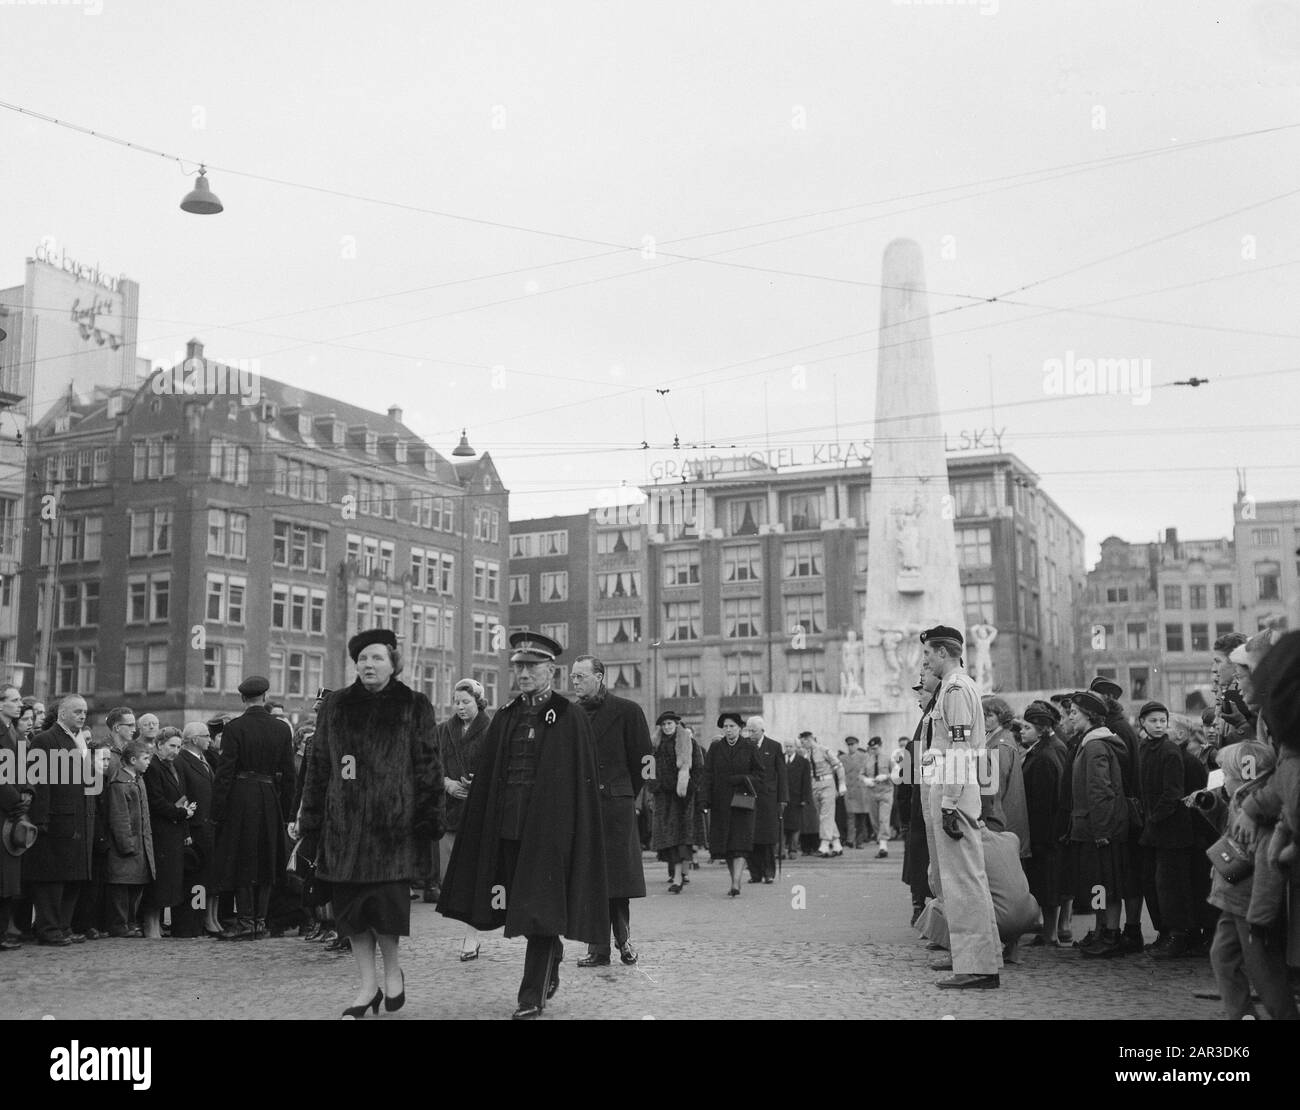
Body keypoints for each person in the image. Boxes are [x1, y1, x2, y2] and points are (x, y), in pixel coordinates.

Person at [437, 630, 608, 1020]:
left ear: (552, 669)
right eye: (519, 667)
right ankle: (553, 953)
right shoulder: (507, 717)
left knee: (540, 907)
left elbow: (579, 785)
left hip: (550, 834)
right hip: (508, 829)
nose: (524, 673)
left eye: (532, 666)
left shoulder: (571, 717)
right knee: (525, 906)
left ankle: (530, 995)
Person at [298, 628, 443, 1019]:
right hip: (343, 828)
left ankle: (392, 970)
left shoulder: (414, 705)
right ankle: (367, 986)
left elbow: (428, 766)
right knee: (352, 915)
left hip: (392, 828)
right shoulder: (337, 706)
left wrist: (428, 819)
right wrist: (310, 822)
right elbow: (319, 769)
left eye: (377, 658)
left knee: (385, 910)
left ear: (392, 663)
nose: (368, 665)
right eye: (362, 659)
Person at [917, 626, 1001, 989]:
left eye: (927, 655)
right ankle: (979, 957)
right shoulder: (956, 688)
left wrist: (949, 803)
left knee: (963, 880)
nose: (925, 661)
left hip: (955, 793)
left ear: (942, 653)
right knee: (962, 880)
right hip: (954, 790)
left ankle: (979, 967)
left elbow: (960, 749)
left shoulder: (953, 689)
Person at [572, 654, 652, 967]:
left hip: (616, 807)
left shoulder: (628, 711)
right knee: (591, 880)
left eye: (581, 676)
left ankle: (623, 941)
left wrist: (624, 792)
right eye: (573, 677)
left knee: (617, 881)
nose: (575, 682)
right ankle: (598, 949)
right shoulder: (571, 714)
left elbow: (645, 761)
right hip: (584, 807)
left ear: (600, 677)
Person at [212, 676, 297, 941]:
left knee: (242, 857)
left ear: (243, 699)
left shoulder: (235, 728)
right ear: (264, 698)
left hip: (241, 798)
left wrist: (217, 811)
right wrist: (286, 812)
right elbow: (289, 775)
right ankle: (261, 920)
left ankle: (246, 920)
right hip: (270, 796)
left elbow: (225, 773)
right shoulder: (282, 729)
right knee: (268, 858)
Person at [25, 695, 96, 946]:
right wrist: (40, 821)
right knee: (50, 878)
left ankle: (62, 926)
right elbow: (39, 783)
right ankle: (48, 928)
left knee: (69, 876)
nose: (82, 716)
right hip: (54, 821)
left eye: (84, 712)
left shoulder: (77, 741)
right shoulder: (45, 740)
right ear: (62, 714)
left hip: (74, 819)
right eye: (77, 711)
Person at [1066, 690, 1132, 959]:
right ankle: (1102, 929)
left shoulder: (1094, 746)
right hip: (1095, 827)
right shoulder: (1091, 742)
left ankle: (1110, 934)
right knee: (1099, 883)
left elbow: (1100, 790)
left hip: (1100, 828)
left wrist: (1102, 830)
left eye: (1074, 712)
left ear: (1089, 716)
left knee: (1107, 884)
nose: (1070, 717)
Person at [1133, 701, 1195, 958]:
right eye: (1153, 721)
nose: (1159, 726)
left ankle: (1177, 936)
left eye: (1162, 721)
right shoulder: (1146, 748)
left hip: (1170, 830)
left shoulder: (1169, 751)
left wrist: (1153, 818)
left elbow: (1173, 793)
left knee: (1169, 885)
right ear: (1143, 723)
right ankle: (1165, 932)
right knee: (1155, 884)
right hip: (1155, 829)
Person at [436, 678, 491, 959]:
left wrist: (477, 785)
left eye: (465, 702)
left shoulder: (492, 730)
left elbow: (500, 768)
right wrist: (446, 783)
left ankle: (471, 937)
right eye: (456, 702)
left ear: (478, 701)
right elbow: (430, 765)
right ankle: (470, 932)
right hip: (450, 812)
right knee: (449, 877)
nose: (459, 707)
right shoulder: (443, 731)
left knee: (473, 876)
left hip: (479, 812)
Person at [701, 713, 765, 896]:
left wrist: (743, 778)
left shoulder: (750, 747)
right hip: (721, 802)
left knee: (740, 843)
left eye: (732, 726)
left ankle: (736, 883)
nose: (728, 730)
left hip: (742, 801)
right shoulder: (715, 748)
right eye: (725, 727)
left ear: (740, 728)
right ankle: (734, 880)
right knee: (727, 846)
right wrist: (704, 799)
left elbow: (761, 775)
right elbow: (708, 775)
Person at [140, 727, 195, 939]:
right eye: (171, 746)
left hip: (173, 830)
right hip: (160, 831)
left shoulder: (174, 767)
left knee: (169, 881)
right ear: (159, 745)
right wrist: (180, 812)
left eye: (179, 747)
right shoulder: (154, 767)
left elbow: (180, 795)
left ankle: (159, 924)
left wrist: (185, 824)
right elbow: (156, 800)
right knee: (158, 881)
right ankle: (151, 924)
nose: (175, 750)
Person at [1017, 704, 1063, 945]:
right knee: (1045, 882)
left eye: (1027, 728)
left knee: (1046, 883)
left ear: (1041, 730)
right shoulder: (1039, 752)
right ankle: (1048, 931)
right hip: (1042, 831)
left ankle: (1050, 933)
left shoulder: (1043, 758)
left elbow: (1044, 802)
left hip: (1043, 832)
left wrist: (1039, 835)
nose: (1022, 731)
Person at [104, 739, 154, 938]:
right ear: (133, 760)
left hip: (140, 844)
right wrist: (127, 844)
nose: (148, 762)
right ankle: (119, 923)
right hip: (127, 845)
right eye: (145, 758)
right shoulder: (120, 783)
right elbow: (120, 817)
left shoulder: (138, 779)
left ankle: (130, 922)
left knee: (135, 885)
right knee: (122, 887)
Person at [175, 722, 220, 937]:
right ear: (194, 739)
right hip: (195, 828)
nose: (210, 739)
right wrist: (186, 831)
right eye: (206, 736)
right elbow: (181, 795)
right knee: (196, 879)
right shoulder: (182, 762)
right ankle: (194, 921)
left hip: (207, 827)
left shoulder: (205, 761)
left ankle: (206, 918)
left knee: (208, 877)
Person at [901, 675, 938, 925]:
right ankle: (918, 901)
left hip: (932, 796)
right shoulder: (923, 722)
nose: (918, 699)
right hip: (918, 800)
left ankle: (925, 904)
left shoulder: (935, 721)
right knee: (917, 854)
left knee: (927, 855)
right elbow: (908, 764)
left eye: (921, 693)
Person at [651, 712, 700, 892]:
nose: (666, 727)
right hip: (663, 797)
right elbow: (647, 768)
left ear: (676, 724)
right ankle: (675, 875)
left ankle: (679, 877)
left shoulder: (688, 743)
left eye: (669, 723)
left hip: (682, 798)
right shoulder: (655, 745)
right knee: (668, 838)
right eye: (663, 725)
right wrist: (654, 785)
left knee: (680, 837)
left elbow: (698, 769)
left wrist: (689, 787)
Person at [0, 685, 33, 950]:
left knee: (10, 878)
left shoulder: (19, 737)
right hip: (4, 811)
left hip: (15, 814)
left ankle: (3, 931)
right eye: (14, 699)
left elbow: (29, 770)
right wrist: (15, 800)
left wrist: (28, 794)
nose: (19, 703)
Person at [980, 697, 1031, 859]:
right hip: (1001, 816)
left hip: (1000, 819)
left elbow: (996, 788)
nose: (984, 719)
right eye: (982, 715)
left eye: (989, 716)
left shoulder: (1000, 744)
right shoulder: (996, 739)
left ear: (1001, 717)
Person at [744, 717, 787, 884]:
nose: (750, 734)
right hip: (749, 796)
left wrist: (783, 798)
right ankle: (755, 873)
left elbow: (781, 774)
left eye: (753, 731)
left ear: (762, 730)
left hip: (769, 798)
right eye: (748, 730)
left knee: (768, 837)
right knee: (751, 835)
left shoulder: (774, 746)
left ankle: (769, 872)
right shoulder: (745, 745)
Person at [799, 731, 845, 856]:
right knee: (825, 815)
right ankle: (837, 844)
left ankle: (824, 845)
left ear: (809, 740)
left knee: (826, 815)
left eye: (803, 742)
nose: (802, 745)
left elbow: (838, 766)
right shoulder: (806, 754)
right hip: (814, 785)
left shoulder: (825, 750)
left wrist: (842, 784)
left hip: (827, 784)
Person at [863, 736, 895, 859]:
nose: (873, 751)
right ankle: (880, 839)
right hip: (872, 792)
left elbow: (897, 775)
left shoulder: (888, 759)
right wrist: (865, 779)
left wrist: (886, 776)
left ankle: (883, 846)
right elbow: (861, 774)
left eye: (875, 748)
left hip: (885, 792)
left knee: (884, 818)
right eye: (871, 748)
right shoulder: (867, 760)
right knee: (874, 819)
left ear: (880, 746)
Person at [781, 739, 813, 859]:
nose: (788, 749)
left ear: (795, 747)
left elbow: (806, 782)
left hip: (796, 797)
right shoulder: (780, 759)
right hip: (783, 797)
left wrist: (805, 797)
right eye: (786, 746)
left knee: (795, 826)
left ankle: (793, 849)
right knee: (781, 825)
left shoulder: (803, 762)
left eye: (790, 746)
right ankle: (781, 850)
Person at [841, 737, 871, 849]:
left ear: (857, 745)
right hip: (849, 790)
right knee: (850, 816)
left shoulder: (864, 757)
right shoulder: (843, 758)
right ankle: (850, 840)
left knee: (861, 818)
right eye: (848, 745)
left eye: (852, 744)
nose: (850, 747)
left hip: (861, 790)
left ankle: (859, 841)